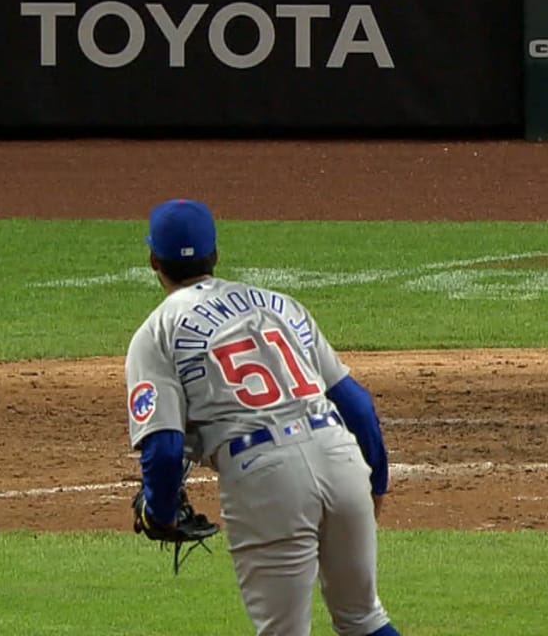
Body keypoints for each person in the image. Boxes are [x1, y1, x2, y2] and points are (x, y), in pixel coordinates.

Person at [124, 198, 402, 636]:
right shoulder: (280, 304)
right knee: (364, 618)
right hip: (340, 456)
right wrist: (376, 485)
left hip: (264, 477)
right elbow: (358, 407)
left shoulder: (155, 332)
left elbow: (164, 448)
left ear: (152, 260)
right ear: (215, 255)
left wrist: (159, 512)